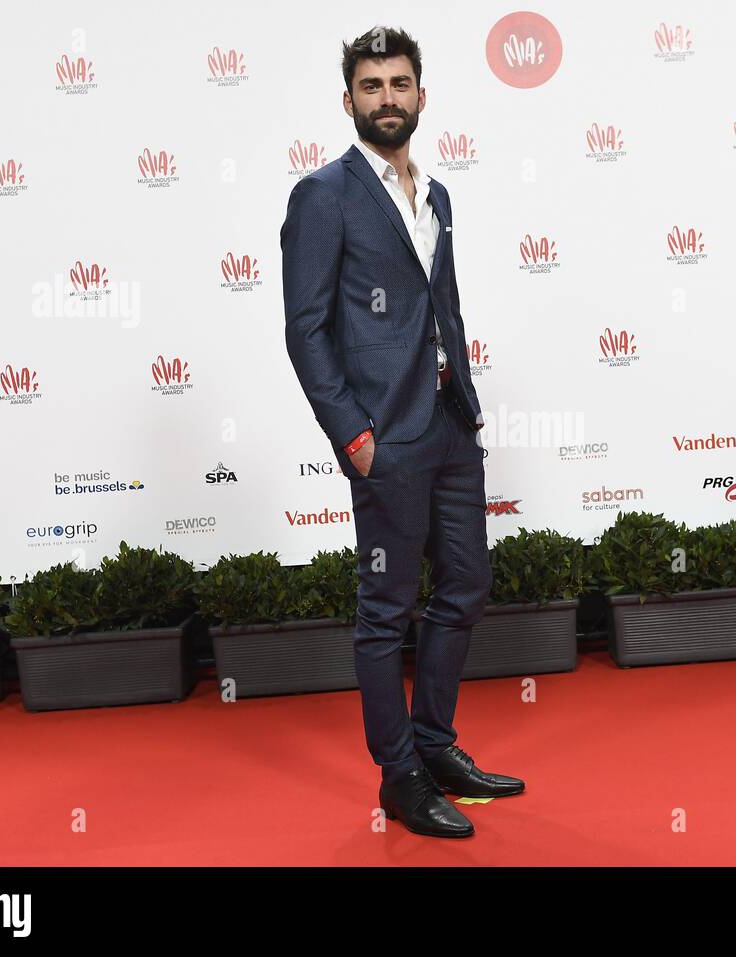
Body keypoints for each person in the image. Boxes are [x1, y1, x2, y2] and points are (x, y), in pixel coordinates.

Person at [280, 26, 524, 838]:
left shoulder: (438, 196)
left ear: (423, 94)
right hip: (386, 435)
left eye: (399, 83)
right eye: (371, 86)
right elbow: (306, 330)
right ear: (348, 100)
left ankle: (436, 742)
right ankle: (399, 775)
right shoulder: (325, 195)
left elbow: (441, 307)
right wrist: (354, 435)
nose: (387, 98)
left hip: (451, 424)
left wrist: (469, 403)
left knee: (465, 586)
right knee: (386, 610)